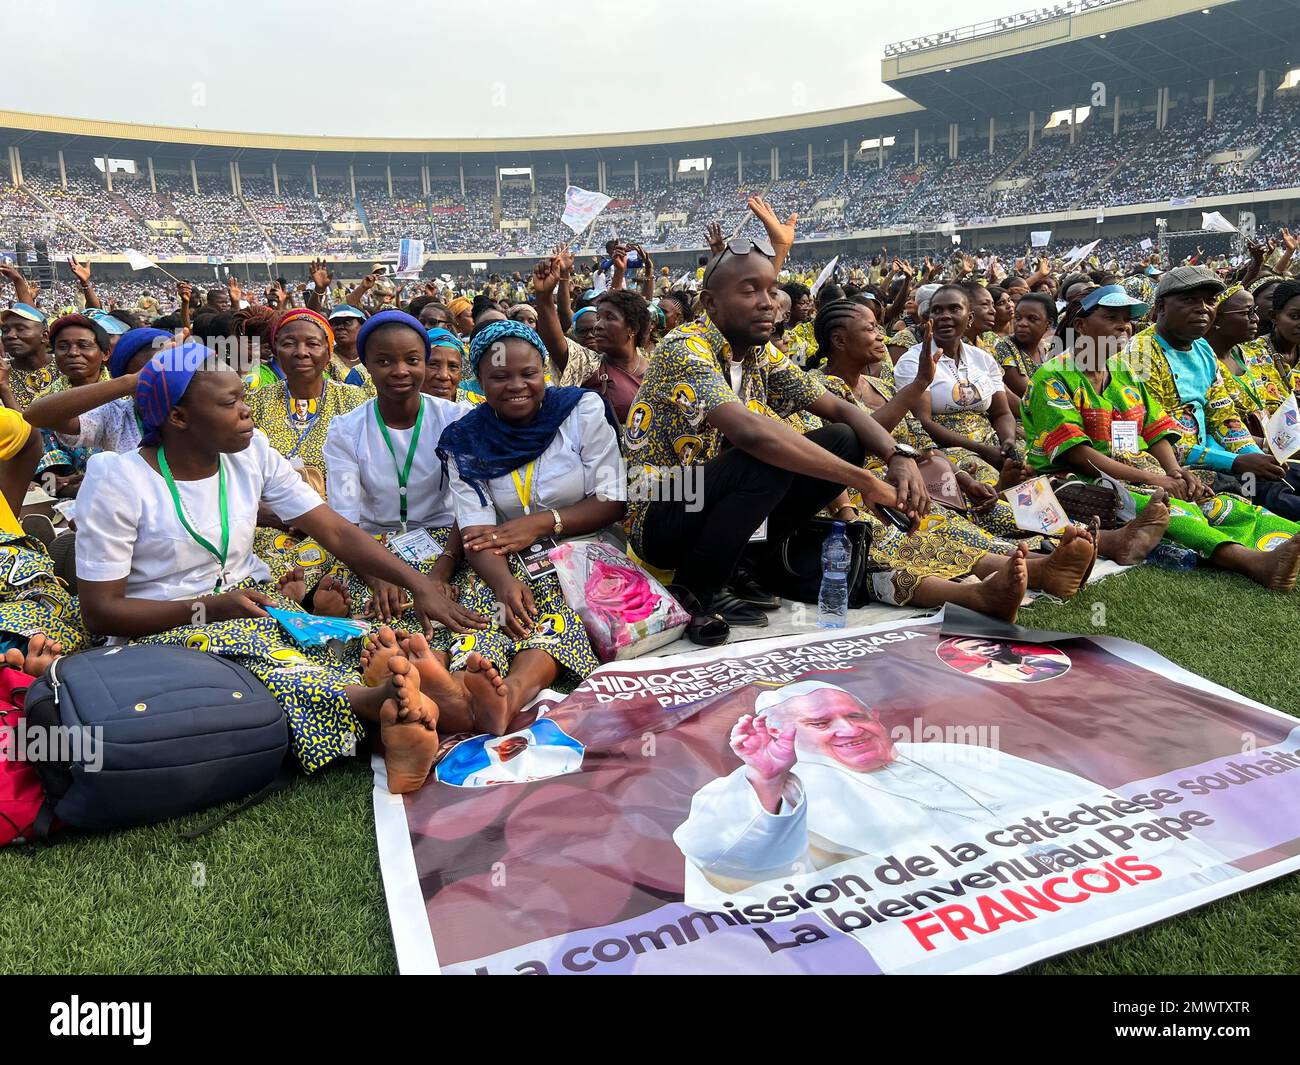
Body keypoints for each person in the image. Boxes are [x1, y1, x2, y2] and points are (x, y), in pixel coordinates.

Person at [73, 342, 477, 792]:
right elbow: (101, 611)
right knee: (273, 666)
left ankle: (420, 697)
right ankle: (371, 705)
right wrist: (214, 607)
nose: (247, 411)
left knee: (351, 639)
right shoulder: (117, 479)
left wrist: (418, 584)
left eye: (244, 397)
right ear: (179, 418)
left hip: (253, 606)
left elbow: (335, 531)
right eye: (230, 403)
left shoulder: (251, 452)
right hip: (166, 624)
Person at [626, 238, 926, 643]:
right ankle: (696, 590)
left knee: (843, 439)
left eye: (771, 289)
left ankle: (743, 563)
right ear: (710, 303)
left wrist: (897, 455)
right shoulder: (685, 348)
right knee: (764, 454)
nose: (769, 302)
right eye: (751, 291)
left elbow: (840, 410)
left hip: (713, 499)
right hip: (660, 512)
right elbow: (751, 433)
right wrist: (865, 481)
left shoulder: (758, 353)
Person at [810, 300, 1106, 613]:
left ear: (969, 317)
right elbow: (859, 439)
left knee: (973, 511)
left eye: (957, 310)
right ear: (839, 340)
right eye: (870, 328)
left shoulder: (886, 384)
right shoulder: (819, 388)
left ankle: (1058, 557)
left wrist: (965, 474)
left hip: (934, 471)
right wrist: (921, 386)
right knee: (914, 532)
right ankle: (1035, 570)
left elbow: (921, 440)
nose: (881, 334)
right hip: (867, 487)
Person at [673, 681, 1098, 892]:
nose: (847, 730)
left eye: (856, 717)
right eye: (819, 724)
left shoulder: (947, 754)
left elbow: (1081, 800)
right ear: (782, 735)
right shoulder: (773, 786)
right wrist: (767, 780)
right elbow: (725, 863)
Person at [1022, 289, 1300, 591]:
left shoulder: (1124, 370)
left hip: (1137, 470)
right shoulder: (1053, 376)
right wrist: (1156, 479)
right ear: (1081, 326)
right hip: (1075, 477)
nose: (1123, 327)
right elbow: (1078, 454)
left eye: (1127, 321)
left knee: (1214, 498)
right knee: (1168, 509)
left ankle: (1286, 540)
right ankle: (1251, 560)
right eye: (1111, 317)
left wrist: (1174, 471)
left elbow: (1155, 428)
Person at [433, 319, 625, 734]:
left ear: (546, 373)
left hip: (583, 545)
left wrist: (541, 524)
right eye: (499, 376)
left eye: (529, 373)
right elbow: (474, 531)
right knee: (490, 608)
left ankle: (510, 694)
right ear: (478, 380)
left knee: (556, 608)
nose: (516, 385)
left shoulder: (580, 410)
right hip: (505, 556)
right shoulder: (464, 439)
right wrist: (504, 583)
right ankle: (459, 686)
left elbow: (612, 500)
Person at [323, 310, 474, 628]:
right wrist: (377, 577)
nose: (400, 371)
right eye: (385, 361)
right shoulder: (346, 430)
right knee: (368, 613)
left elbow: (471, 504)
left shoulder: (457, 419)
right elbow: (344, 523)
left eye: (412, 360)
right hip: (369, 548)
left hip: (446, 543)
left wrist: (440, 573)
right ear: (366, 366)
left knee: (462, 605)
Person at [1122, 267, 1300, 521]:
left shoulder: (1202, 349)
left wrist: (1254, 455)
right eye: (1189, 300)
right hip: (1175, 468)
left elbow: (1224, 417)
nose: (1203, 308)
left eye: (1210, 300)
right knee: (1269, 493)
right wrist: (1236, 462)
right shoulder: (1141, 355)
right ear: (1161, 307)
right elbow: (1156, 436)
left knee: (1283, 474)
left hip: (1219, 459)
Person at [247, 308, 367, 581]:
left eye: (312, 344)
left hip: (339, 520)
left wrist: (317, 515)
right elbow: (236, 472)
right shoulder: (254, 402)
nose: (301, 352)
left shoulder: (354, 401)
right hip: (272, 523)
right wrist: (278, 515)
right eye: (289, 343)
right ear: (275, 351)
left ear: (328, 352)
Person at [893, 285, 1022, 488]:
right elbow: (923, 422)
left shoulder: (983, 359)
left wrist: (1008, 443)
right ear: (929, 318)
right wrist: (982, 450)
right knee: (991, 485)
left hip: (992, 441)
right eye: (937, 310)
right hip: (948, 450)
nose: (945, 316)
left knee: (1036, 467)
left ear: (969, 318)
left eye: (954, 309)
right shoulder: (914, 361)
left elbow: (1001, 412)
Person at [533, 255, 648, 422]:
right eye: (599, 318)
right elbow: (554, 341)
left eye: (609, 318)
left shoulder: (656, 367)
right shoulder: (590, 364)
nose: (598, 326)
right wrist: (544, 296)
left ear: (633, 328)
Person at [23, 327, 171, 455]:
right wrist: (131, 382)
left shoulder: (192, 409)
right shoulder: (116, 415)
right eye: (152, 375)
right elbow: (35, 415)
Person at [1205, 285, 1285, 432]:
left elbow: (1280, 402)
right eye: (1247, 312)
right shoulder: (1203, 365)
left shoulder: (1256, 354)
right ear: (1216, 319)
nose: (1256, 319)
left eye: (1254, 311)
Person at [994, 292, 1057, 418]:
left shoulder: (1048, 348)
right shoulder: (1004, 347)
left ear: (1048, 323)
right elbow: (1030, 392)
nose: (1022, 323)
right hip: (1026, 419)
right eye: (1017, 318)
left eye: (1032, 319)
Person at [0, 303, 55, 412]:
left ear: (44, 336)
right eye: (5, 330)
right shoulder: (2, 373)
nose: (10, 335)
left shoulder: (65, 368)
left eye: (20, 329)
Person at [325, 304, 374, 394]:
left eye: (347, 322)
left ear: (363, 326)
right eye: (335, 323)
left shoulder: (375, 356)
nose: (340, 327)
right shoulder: (325, 360)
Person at [423, 327, 475, 402]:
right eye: (433, 365)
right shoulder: (404, 409)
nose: (444, 376)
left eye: (453, 366)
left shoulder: (476, 407)